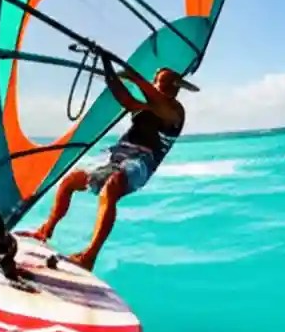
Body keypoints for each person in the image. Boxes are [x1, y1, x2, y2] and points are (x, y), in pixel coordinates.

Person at [19, 49, 194, 270]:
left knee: (112, 187)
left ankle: (89, 256)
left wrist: (134, 76)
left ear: (173, 89)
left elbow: (156, 99)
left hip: (142, 162)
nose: (156, 85)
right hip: (118, 155)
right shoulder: (146, 106)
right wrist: (107, 65)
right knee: (70, 181)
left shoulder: (175, 112)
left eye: (161, 83)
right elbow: (126, 99)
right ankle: (46, 230)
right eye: (156, 82)